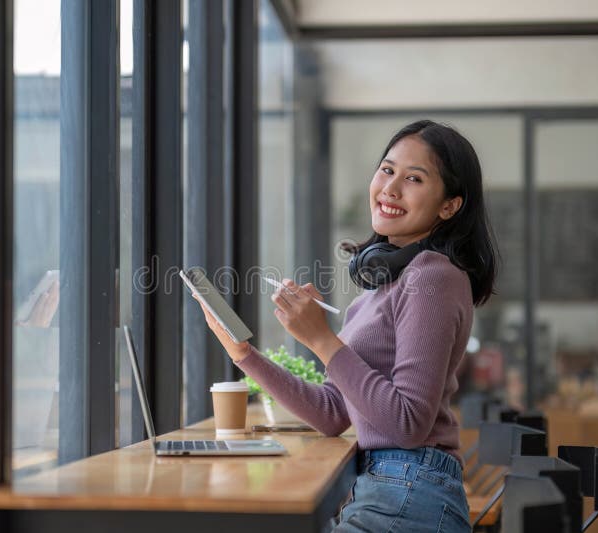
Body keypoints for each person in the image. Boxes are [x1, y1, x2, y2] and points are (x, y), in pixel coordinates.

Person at [193, 120, 498, 532]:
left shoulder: (432, 276)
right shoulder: (378, 291)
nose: (391, 188)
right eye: (387, 170)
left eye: (414, 178)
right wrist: (243, 354)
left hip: (411, 490)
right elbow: (333, 413)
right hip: (384, 487)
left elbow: (408, 424)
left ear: (449, 206)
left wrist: (321, 338)